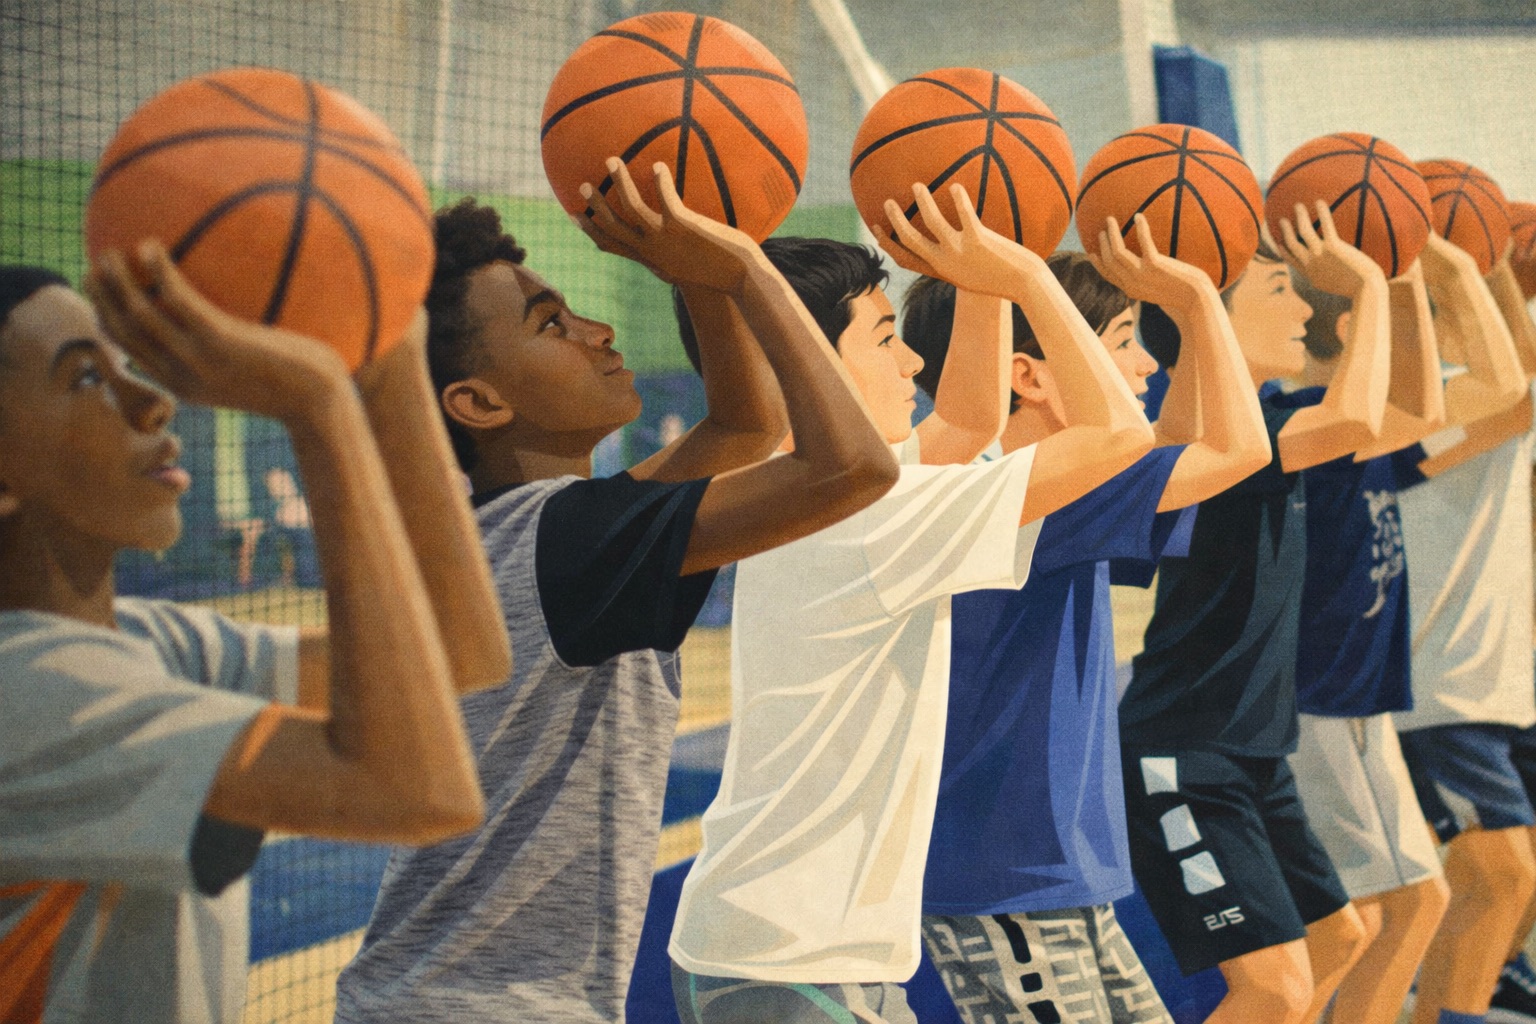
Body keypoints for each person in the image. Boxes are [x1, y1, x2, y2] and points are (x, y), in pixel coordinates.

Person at [333, 159, 899, 1024]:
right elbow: (854, 466)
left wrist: (693, 266)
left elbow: (748, 428)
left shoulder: (532, 533)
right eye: (551, 325)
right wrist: (742, 269)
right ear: (478, 402)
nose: (597, 330)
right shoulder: (568, 539)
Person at [666, 184, 1156, 1024]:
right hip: (793, 963)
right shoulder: (868, 516)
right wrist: (1026, 276)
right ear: (804, 366)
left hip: (791, 954)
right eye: (886, 339)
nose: (912, 365)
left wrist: (979, 272)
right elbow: (1118, 434)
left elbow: (966, 419)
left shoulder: (826, 490)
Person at [0, 245, 507, 1024]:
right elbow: (418, 793)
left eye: (126, 362)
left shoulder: (149, 641)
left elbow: (461, 653)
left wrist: (392, 365)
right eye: (88, 378)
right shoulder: (26, 692)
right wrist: (320, 409)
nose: (151, 401)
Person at [900, 215, 1271, 1024]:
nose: (1146, 366)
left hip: (1048, 868)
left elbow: (1178, 445)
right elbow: (1239, 450)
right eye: (1125, 340)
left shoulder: (1037, 489)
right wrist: (1203, 302)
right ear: (1032, 375)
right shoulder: (1026, 496)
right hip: (1006, 874)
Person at [1118, 203, 1397, 1024]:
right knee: (1272, 990)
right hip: (1183, 755)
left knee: (1339, 940)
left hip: (1250, 753)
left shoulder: (1272, 427)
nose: (1311, 311)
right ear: (1218, 319)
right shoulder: (1229, 438)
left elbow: (1390, 413)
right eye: (1283, 290)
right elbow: (1357, 415)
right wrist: (1373, 287)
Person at [1278, 252, 1450, 1024]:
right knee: (1368, 919)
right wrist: (1389, 278)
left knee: (1408, 907)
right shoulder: (1311, 426)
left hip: (1355, 703)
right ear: (1351, 327)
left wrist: (1402, 274)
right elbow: (1433, 404)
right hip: (1321, 701)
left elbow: (1458, 403)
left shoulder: (1352, 431)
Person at [1389, 234, 1536, 1024]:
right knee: (1500, 877)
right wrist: (1464, 265)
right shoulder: (1422, 408)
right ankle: (1454, 1006)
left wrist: (1500, 274)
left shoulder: (1490, 396)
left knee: (1510, 880)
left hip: (1501, 682)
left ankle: (1480, 983)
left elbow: (1522, 376)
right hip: (1437, 686)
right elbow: (1517, 390)